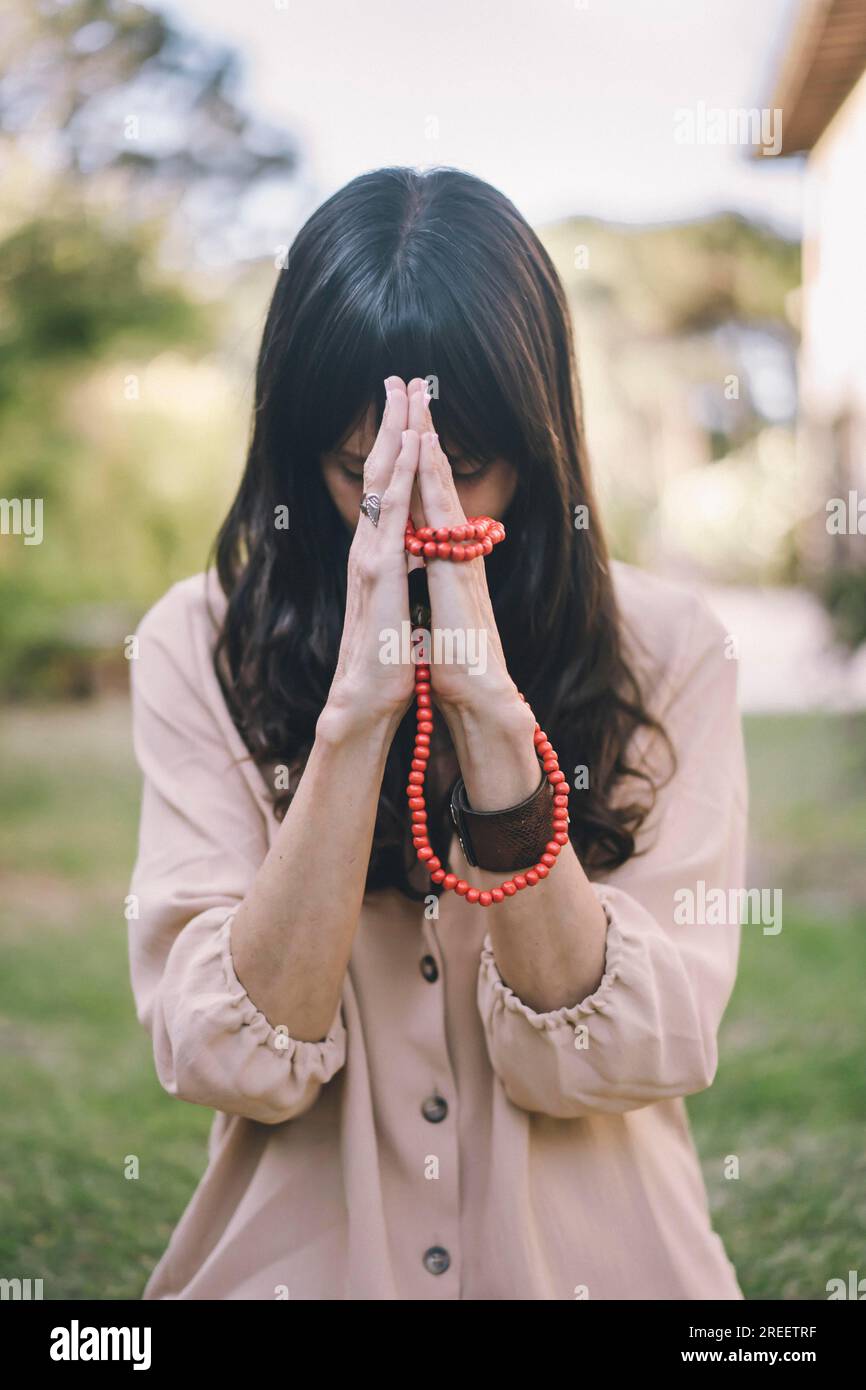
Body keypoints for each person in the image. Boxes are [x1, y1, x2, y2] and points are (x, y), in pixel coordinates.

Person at [127, 166, 746, 1300]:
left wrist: (495, 731)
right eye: (362, 475)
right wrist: (353, 724)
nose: (418, 517)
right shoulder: (197, 641)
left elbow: (629, 1055)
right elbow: (228, 1059)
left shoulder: (669, 646)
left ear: (540, 440)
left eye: (461, 472)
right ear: (297, 450)